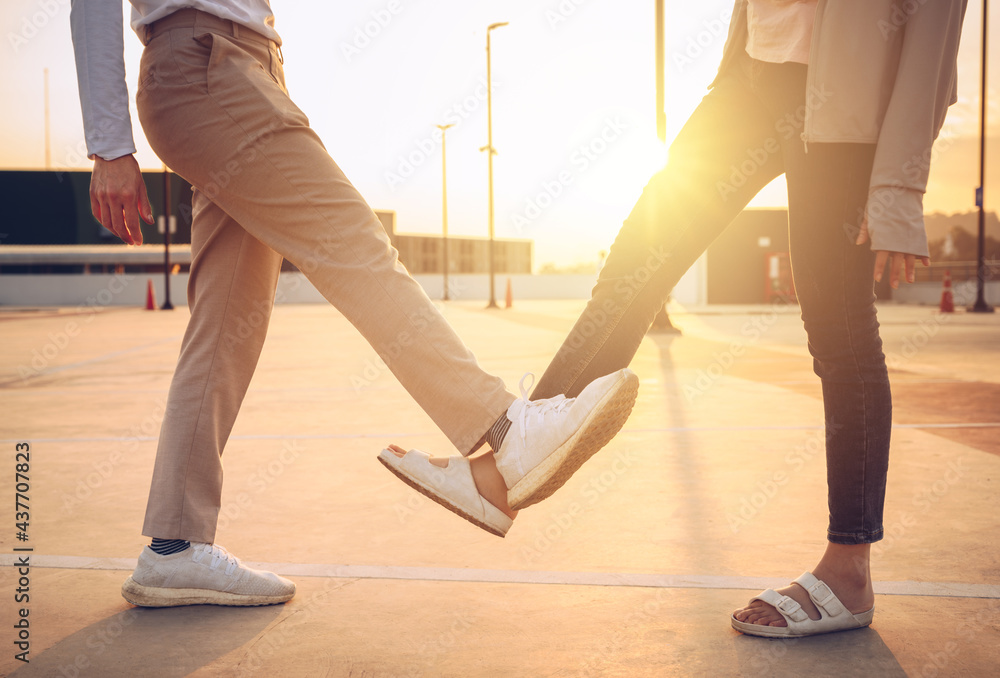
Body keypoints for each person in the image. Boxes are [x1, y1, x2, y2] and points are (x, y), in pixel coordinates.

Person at [387, 0, 967, 638]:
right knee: (634, 266)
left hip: (846, 96)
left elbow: (936, 20)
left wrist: (898, 187)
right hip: (749, 75)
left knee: (839, 328)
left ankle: (849, 569)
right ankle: (505, 471)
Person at [69, 0, 640, 608]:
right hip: (210, 66)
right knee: (352, 241)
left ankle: (174, 548)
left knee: (226, 324)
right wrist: (109, 144)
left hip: (235, 71)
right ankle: (506, 431)